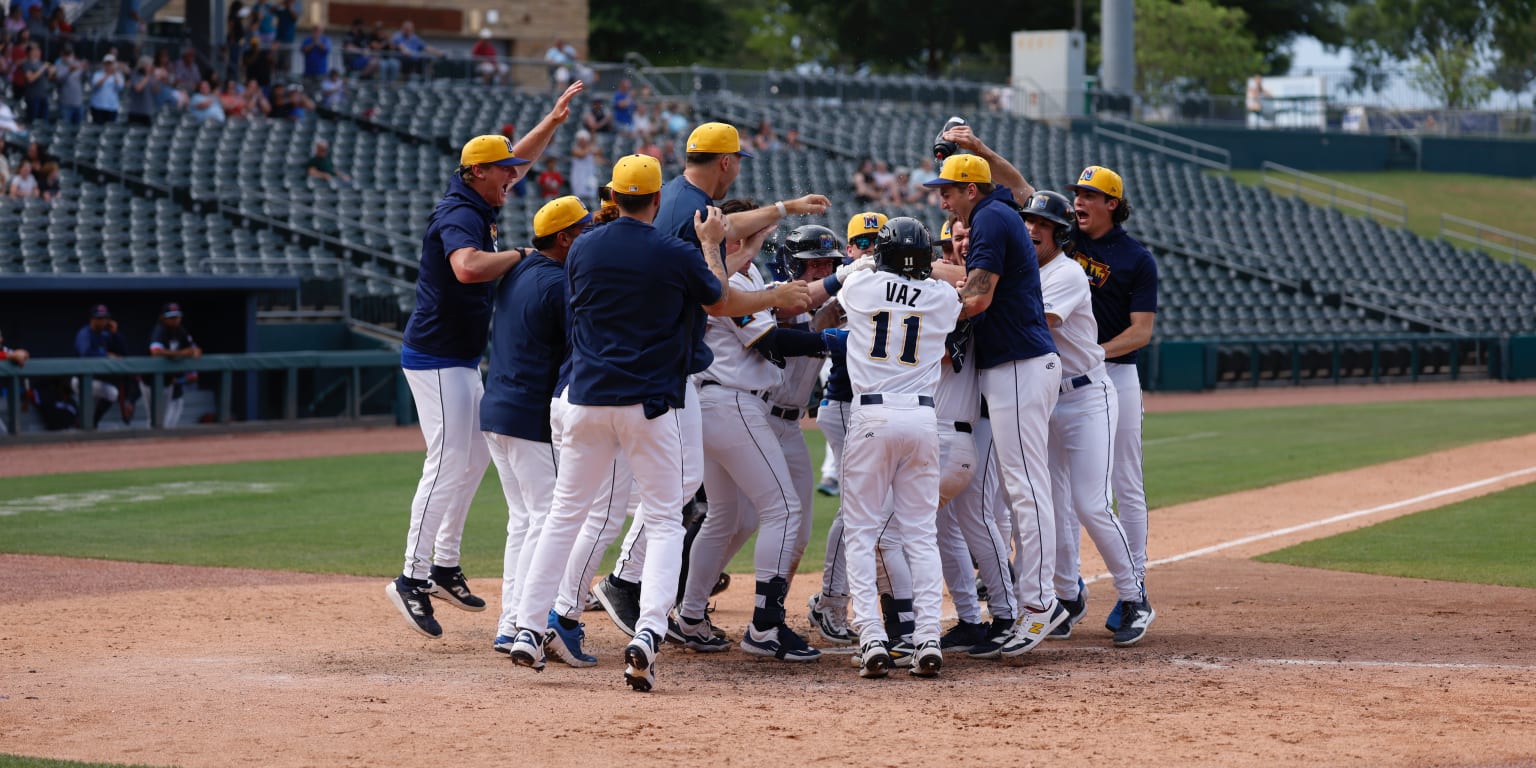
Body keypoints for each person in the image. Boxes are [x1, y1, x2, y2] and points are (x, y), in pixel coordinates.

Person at [505, 155, 775, 692]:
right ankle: (648, 632)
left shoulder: (583, 246)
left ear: (614, 196)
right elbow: (719, 298)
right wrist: (710, 245)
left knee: (564, 516)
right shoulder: (674, 251)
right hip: (647, 405)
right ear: (656, 200)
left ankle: (528, 629)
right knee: (666, 518)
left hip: (584, 398)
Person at [587, 121, 824, 641]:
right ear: (726, 162)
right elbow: (720, 297)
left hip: (685, 380)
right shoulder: (691, 209)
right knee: (754, 504)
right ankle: (633, 585)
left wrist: (771, 223)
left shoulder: (679, 202)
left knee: (712, 509)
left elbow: (721, 255)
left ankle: (678, 611)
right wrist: (780, 287)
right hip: (703, 386)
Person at [384, 82, 585, 641]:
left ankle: (444, 563)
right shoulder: (459, 212)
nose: (511, 177)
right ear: (476, 172)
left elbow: (519, 158)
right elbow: (468, 267)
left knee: (472, 460)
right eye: (502, 171)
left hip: (459, 356)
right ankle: (411, 576)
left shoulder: (479, 195)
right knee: (448, 460)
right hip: (436, 356)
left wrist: (551, 122)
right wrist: (521, 253)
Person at [670, 203, 828, 662]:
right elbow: (769, 340)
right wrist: (832, 341)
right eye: (751, 228)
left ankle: (689, 616)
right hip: (732, 401)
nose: (763, 233)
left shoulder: (737, 271)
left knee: (727, 518)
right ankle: (765, 626)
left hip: (715, 402)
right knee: (783, 509)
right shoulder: (729, 277)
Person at [925, 150, 1066, 659]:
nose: (943, 199)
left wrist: (928, 313)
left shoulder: (988, 218)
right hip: (1013, 367)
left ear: (971, 189)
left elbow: (979, 297)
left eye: (948, 190)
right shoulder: (997, 214)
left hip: (1020, 365)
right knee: (1021, 488)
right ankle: (1034, 602)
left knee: (1026, 489)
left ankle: (1042, 603)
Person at [1022, 189, 1149, 647]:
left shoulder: (1067, 272)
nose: (1032, 229)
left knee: (1091, 503)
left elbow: (1039, 321)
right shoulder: (1027, 271)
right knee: (1052, 504)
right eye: (1028, 221)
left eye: (1043, 224)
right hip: (1047, 398)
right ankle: (1065, 596)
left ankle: (1134, 596)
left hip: (1088, 395)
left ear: (1060, 234)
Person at [838, 217, 960, 679]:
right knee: (920, 535)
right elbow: (946, 285)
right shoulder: (942, 297)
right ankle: (927, 637)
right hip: (923, 417)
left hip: (873, 413)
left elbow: (853, 279)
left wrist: (873, 261)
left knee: (861, 532)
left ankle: (871, 636)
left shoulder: (862, 287)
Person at [482, 195, 594, 666]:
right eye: (583, 231)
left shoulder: (520, 270)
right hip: (528, 414)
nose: (590, 236)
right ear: (564, 238)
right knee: (547, 520)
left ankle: (510, 623)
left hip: (497, 409)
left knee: (525, 521)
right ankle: (524, 624)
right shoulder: (556, 284)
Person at [1064, 164, 1158, 638]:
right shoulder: (1064, 240)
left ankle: (1133, 586)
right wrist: (980, 150)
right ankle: (1066, 586)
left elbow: (1142, 331)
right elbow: (1022, 192)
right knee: (1062, 489)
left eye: (1088, 195)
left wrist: (1095, 352)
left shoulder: (1136, 258)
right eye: (1077, 194)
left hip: (1116, 375)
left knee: (1125, 482)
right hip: (1066, 378)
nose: (1079, 201)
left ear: (1111, 204)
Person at [814, 210, 887, 499]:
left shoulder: (898, 285)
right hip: (847, 400)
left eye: (877, 241)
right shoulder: (843, 285)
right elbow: (817, 326)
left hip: (878, 405)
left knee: (874, 500)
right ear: (849, 250)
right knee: (861, 501)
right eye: (863, 242)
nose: (870, 248)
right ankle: (830, 475)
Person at [75, 304, 132, 426]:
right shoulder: (85, 333)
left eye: (105, 318)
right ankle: (85, 424)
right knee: (103, 396)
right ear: (92, 319)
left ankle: (92, 423)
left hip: (97, 379)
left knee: (112, 393)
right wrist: (106, 355)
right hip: (81, 379)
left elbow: (123, 353)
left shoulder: (105, 335)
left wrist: (115, 334)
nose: (103, 321)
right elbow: (85, 353)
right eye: (99, 318)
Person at [147, 302, 202, 428]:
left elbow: (195, 350)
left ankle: (164, 437)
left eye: (177, 317)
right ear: (163, 318)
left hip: (169, 379)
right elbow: (155, 351)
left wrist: (194, 352)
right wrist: (182, 353)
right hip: (150, 380)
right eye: (171, 317)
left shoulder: (181, 331)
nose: (175, 320)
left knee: (173, 409)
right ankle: (153, 438)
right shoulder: (159, 331)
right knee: (155, 417)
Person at [52, 45, 86, 125]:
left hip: (78, 103)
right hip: (65, 104)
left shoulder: (78, 64)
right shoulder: (58, 65)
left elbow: (84, 79)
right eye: (66, 54)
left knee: (78, 129)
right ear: (62, 55)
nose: (68, 57)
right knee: (65, 128)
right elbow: (58, 80)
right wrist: (69, 70)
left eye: (69, 54)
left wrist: (85, 71)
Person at [88, 54, 124, 124]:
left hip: (112, 107)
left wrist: (114, 74)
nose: (109, 66)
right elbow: (95, 85)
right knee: (97, 127)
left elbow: (120, 87)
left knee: (110, 128)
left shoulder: (118, 75)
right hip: (98, 107)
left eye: (110, 64)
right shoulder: (97, 74)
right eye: (107, 64)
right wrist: (107, 75)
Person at [568, 128, 599, 207]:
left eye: (584, 140)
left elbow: (599, 152)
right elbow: (581, 155)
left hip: (589, 177)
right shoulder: (575, 149)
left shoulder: (590, 149)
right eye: (581, 140)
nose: (582, 142)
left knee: (591, 198)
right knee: (579, 200)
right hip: (578, 178)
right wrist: (591, 146)